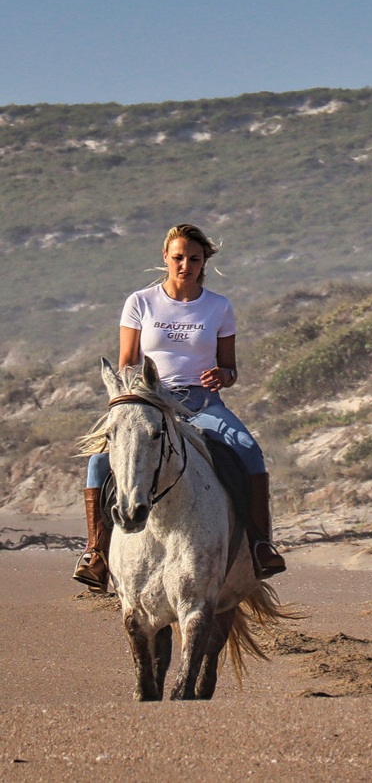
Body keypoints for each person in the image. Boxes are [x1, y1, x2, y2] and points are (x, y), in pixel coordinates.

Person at [73, 223, 286, 591]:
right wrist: (138, 399)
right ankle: (97, 553)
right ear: (165, 258)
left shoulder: (219, 306)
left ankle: (260, 544)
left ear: (204, 262)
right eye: (178, 258)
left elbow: (230, 368)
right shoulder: (140, 301)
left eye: (193, 258)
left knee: (249, 450)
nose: (185, 265)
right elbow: (126, 363)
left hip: (201, 402)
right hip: (151, 400)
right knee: (97, 462)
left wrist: (224, 375)